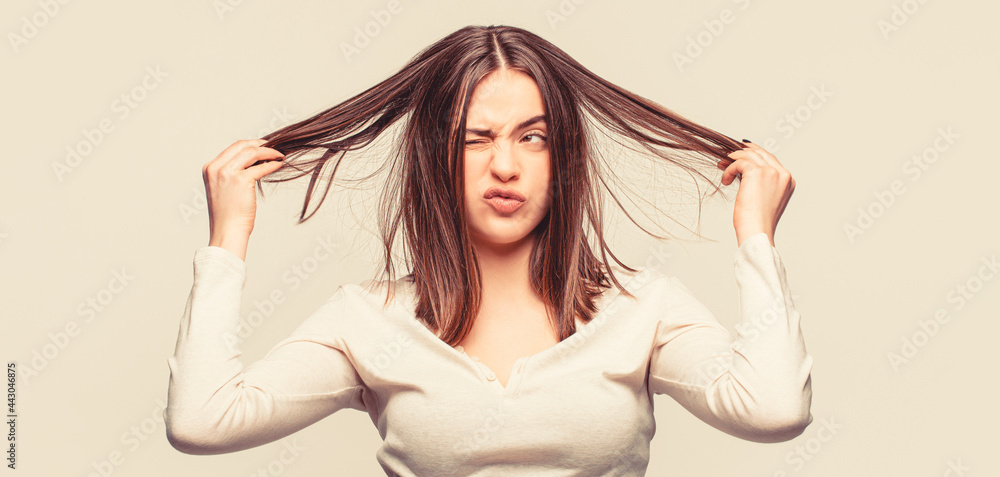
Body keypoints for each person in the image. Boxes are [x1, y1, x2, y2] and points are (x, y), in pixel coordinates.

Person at [164, 24, 812, 475]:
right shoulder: (366, 320)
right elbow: (202, 421)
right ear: (434, 157)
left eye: (533, 137)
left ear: (564, 157)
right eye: (477, 138)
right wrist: (228, 241)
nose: (506, 165)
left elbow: (776, 408)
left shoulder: (644, 309)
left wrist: (755, 237)